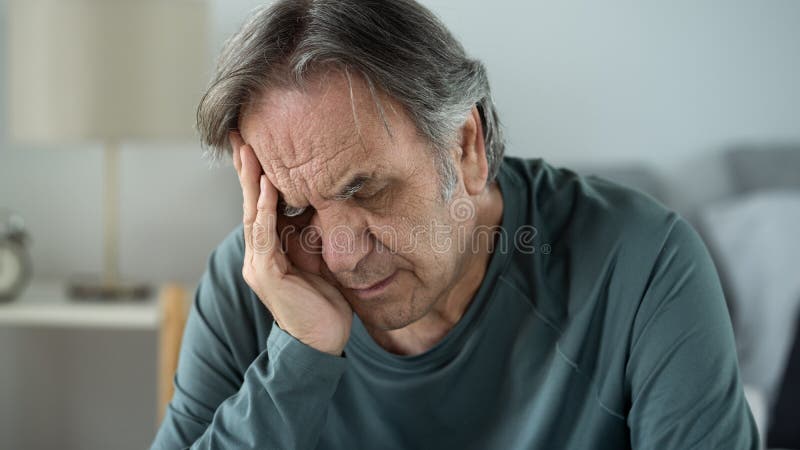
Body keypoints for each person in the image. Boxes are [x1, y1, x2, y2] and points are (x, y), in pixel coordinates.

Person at [151, 1, 759, 448]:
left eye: (365, 188)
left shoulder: (646, 263)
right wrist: (299, 355)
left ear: (465, 146)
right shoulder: (252, 283)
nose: (339, 254)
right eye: (294, 205)